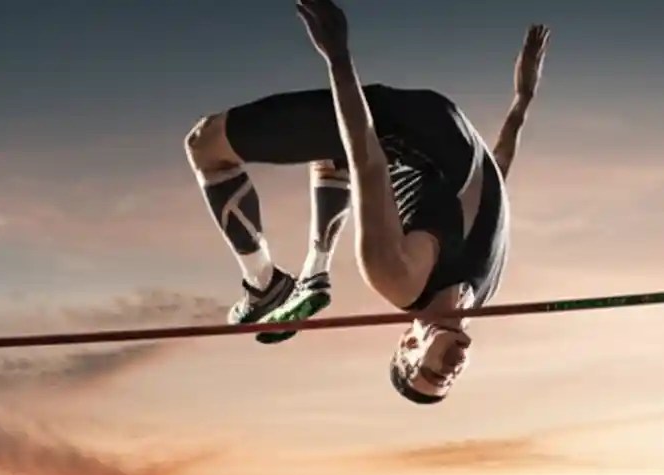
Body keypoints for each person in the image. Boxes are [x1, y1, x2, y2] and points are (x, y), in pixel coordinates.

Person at [185, 0, 550, 403]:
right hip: (415, 135)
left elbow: (367, 158)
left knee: (206, 145)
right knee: (333, 154)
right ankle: (315, 270)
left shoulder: (397, 279)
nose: (449, 372)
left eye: (429, 374)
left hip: (386, 126)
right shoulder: (484, 289)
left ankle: (262, 284)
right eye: (448, 383)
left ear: (409, 345)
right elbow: (494, 174)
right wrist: (522, 99)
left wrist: (338, 56)